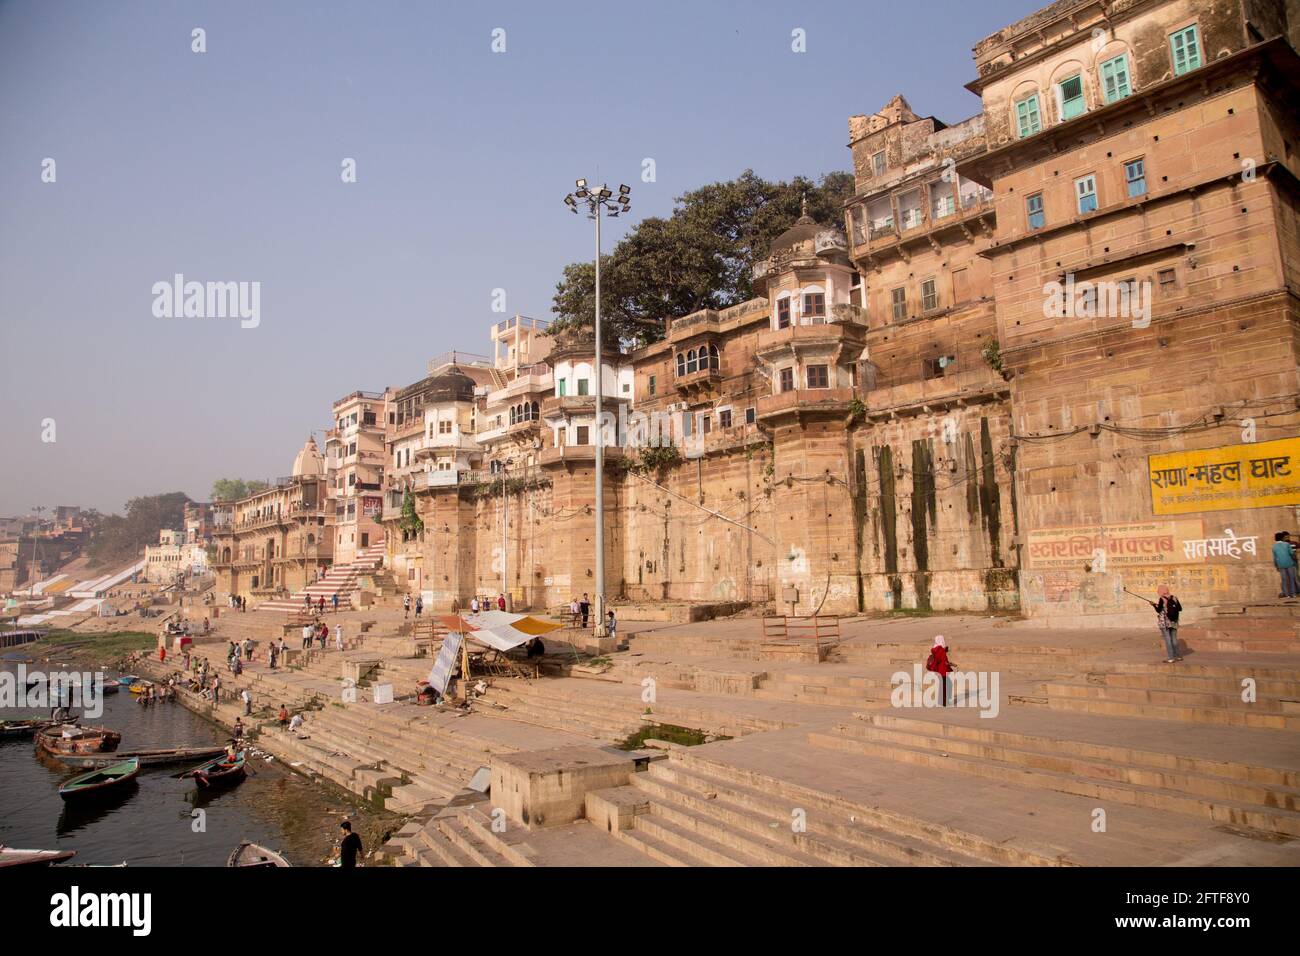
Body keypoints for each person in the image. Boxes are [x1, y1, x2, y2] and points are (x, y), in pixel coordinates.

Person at [1154, 585, 1183, 663]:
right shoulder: (1174, 598)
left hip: (1165, 623)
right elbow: (1180, 609)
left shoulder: (1162, 599)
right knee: (1174, 639)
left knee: (1168, 640)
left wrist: (1154, 605)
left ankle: (1171, 657)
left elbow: (1158, 610)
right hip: (1174, 621)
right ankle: (1178, 656)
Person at [925, 636, 952, 706]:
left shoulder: (935, 649)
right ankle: (944, 702)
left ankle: (942, 701)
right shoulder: (941, 650)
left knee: (943, 685)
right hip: (943, 670)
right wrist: (951, 664)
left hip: (938, 670)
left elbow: (938, 658)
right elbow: (944, 660)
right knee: (945, 686)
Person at [1274, 531, 1298, 599]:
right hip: (1289, 563)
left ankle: (1286, 594)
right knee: (1292, 579)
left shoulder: (1274, 547)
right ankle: (1293, 594)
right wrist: (1295, 559)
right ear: (1282, 538)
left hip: (1281, 565)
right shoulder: (1286, 544)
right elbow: (1291, 553)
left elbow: (1275, 558)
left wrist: (1276, 566)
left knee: (1284, 580)